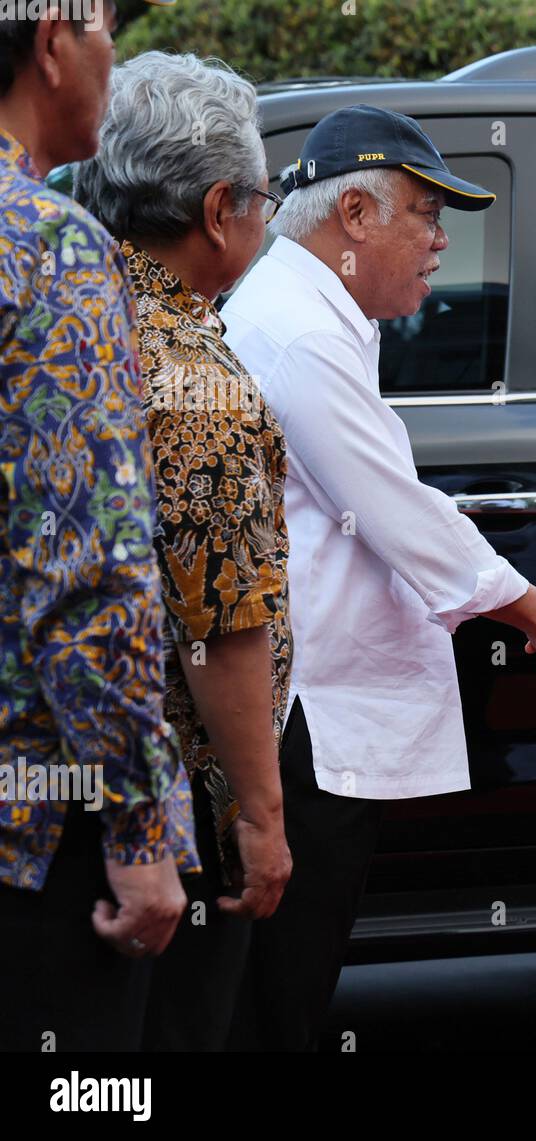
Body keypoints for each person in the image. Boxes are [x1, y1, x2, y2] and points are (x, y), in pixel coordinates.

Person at [219, 104, 536, 1051]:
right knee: (276, 1003)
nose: (442, 244)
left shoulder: (311, 310)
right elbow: (398, 513)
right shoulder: (298, 330)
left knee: (276, 992)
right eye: (427, 216)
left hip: (308, 710)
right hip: (300, 722)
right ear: (355, 213)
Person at [74, 50, 295, 1051]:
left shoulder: (60, 319)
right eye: (265, 197)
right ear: (219, 210)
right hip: (171, 801)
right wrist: (259, 811)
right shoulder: (194, 375)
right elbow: (224, 629)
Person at [0, 1, 196, 1051]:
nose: (112, 60)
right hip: (35, 830)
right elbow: (86, 567)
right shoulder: (50, 248)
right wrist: (138, 822)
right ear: (51, 44)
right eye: (108, 33)